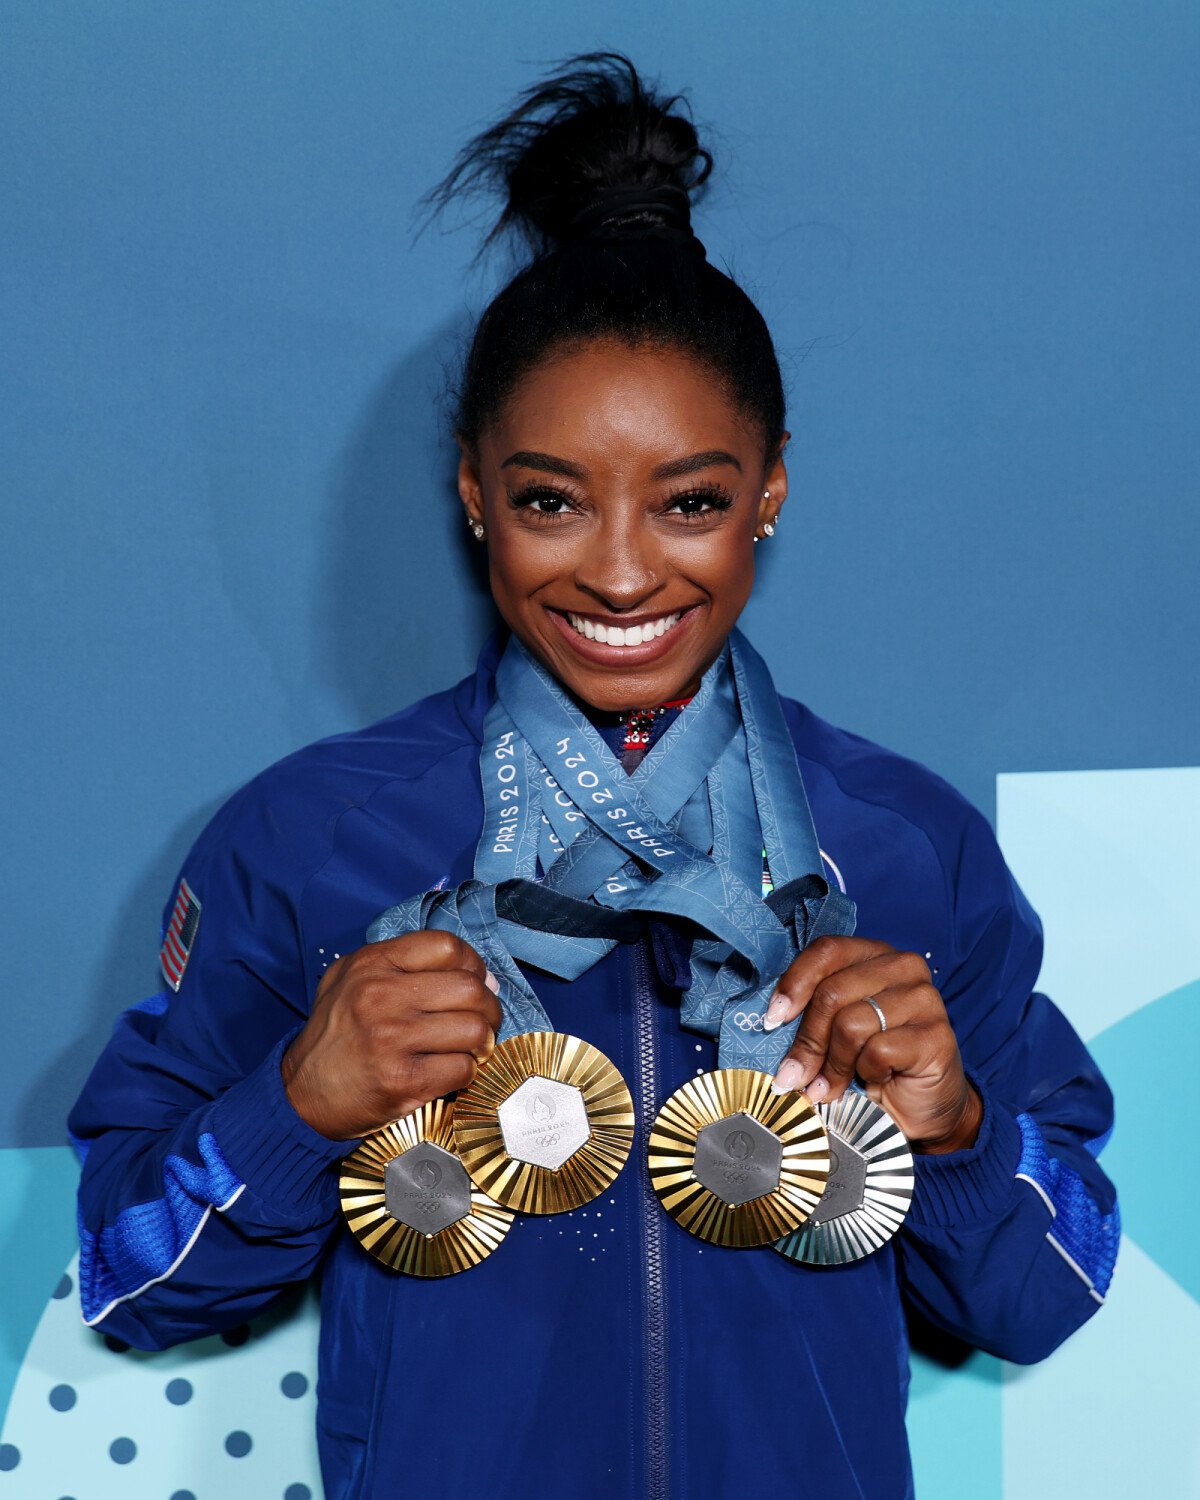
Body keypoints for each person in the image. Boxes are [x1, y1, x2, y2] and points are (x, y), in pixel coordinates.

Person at [69, 52, 1119, 1500]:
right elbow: (130, 1279)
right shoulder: (312, 839)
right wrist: (296, 1104)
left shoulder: (903, 841)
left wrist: (954, 1126)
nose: (621, 569)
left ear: (771, 491)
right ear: (472, 495)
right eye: (551, 499)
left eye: (690, 501)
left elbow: (1046, 1295)